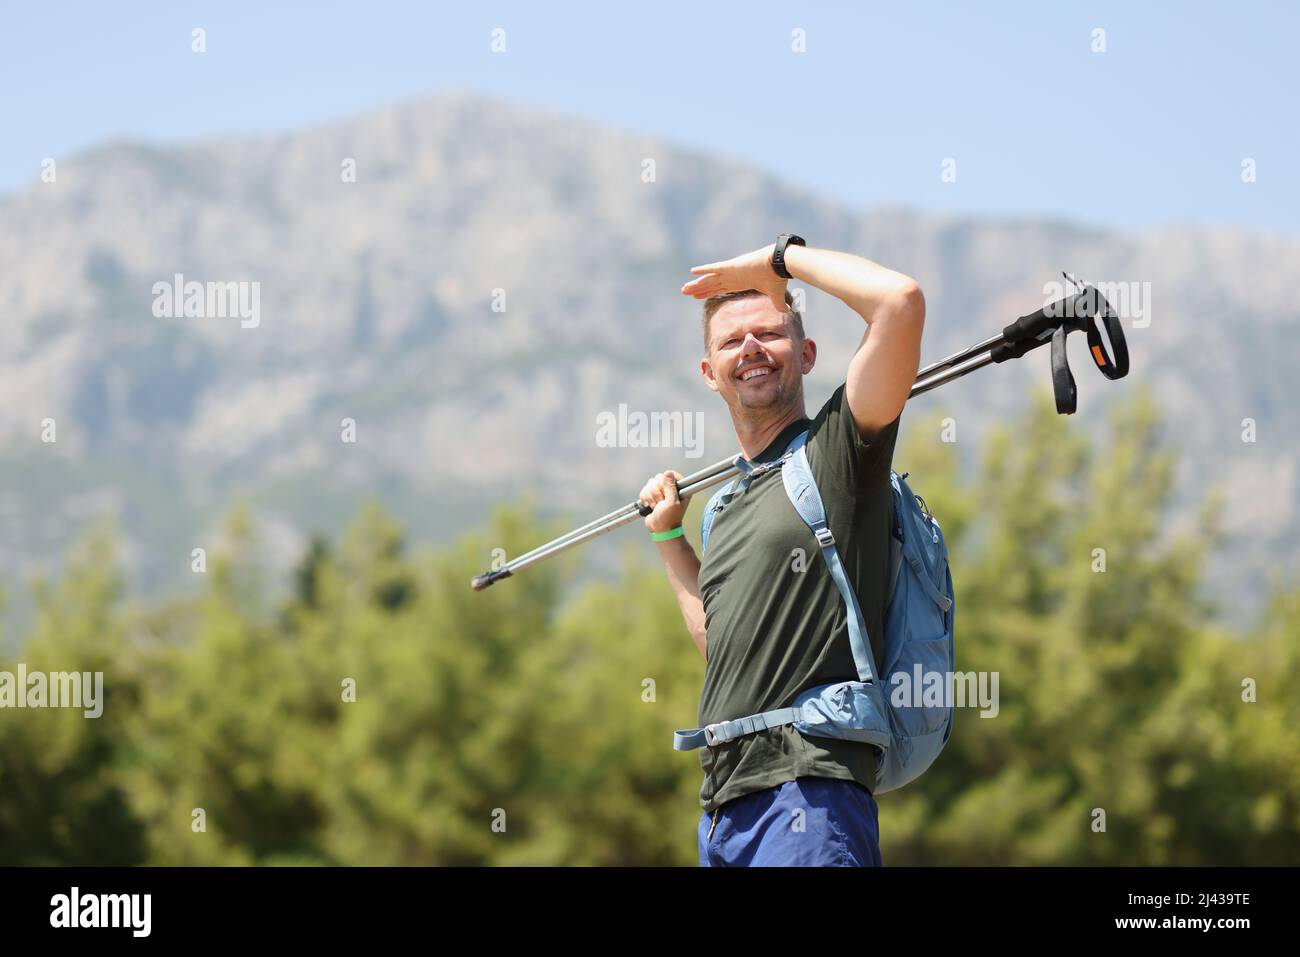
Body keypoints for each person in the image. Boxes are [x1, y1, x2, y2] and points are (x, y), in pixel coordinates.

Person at [638, 236, 925, 866]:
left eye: (769, 333)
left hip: (808, 792)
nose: (751, 349)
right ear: (709, 373)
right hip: (723, 807)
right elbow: (725, 648)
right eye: (731, 341)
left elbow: (899, 303)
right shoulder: (725, 507)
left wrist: (777, 260)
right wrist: (669, 539)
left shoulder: (837, 454)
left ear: (807, 352)